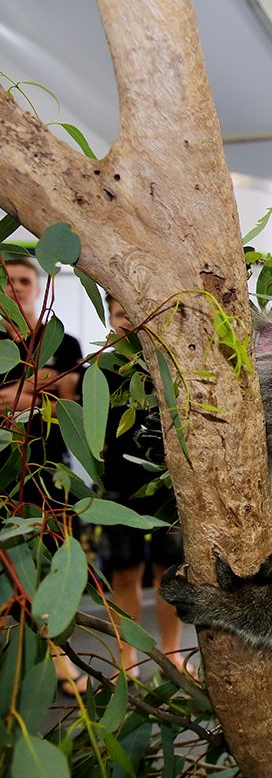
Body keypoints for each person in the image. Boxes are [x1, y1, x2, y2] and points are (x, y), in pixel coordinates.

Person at [2, 255, 85, 693]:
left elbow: (71, 396)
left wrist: (17, 392)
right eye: (9, 279)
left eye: (24, 279)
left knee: (52, 563)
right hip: (3, 475)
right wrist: (38, 386)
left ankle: (57, 659)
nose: (16, 286)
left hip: (48, 470)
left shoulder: (64, 342)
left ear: (38, 286)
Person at [98, 296, 184, 672]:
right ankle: (126, 659)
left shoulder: (170, 367)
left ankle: (173, 654)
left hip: (169, 489)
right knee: (124, 573)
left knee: (172, 574)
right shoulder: (99, 368)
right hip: (118, 488)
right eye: (120, 316)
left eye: (134, 314)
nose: (128, 323)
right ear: (110, 320)